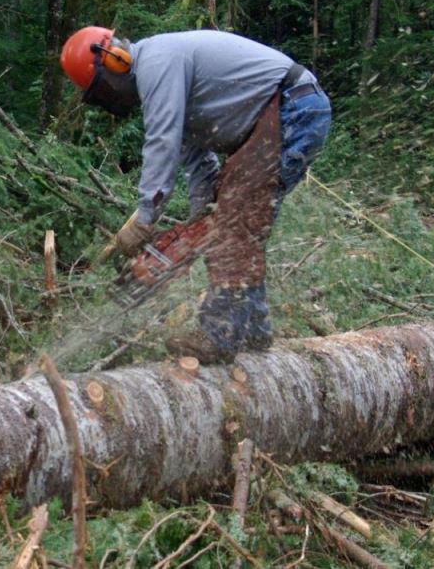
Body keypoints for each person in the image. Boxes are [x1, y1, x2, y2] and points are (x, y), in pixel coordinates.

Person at [60, 27, 332, 363]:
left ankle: (221, 334)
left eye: (101, 88)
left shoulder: (157, 63)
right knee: (233, 223)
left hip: (292, 108)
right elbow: (198, 161)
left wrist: (146, 218)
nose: (108, 97)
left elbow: (162, 142)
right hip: (278, 115)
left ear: (116, 60)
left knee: (236, 226)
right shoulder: (168, 78)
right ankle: (254, 330)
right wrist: (203, 217)